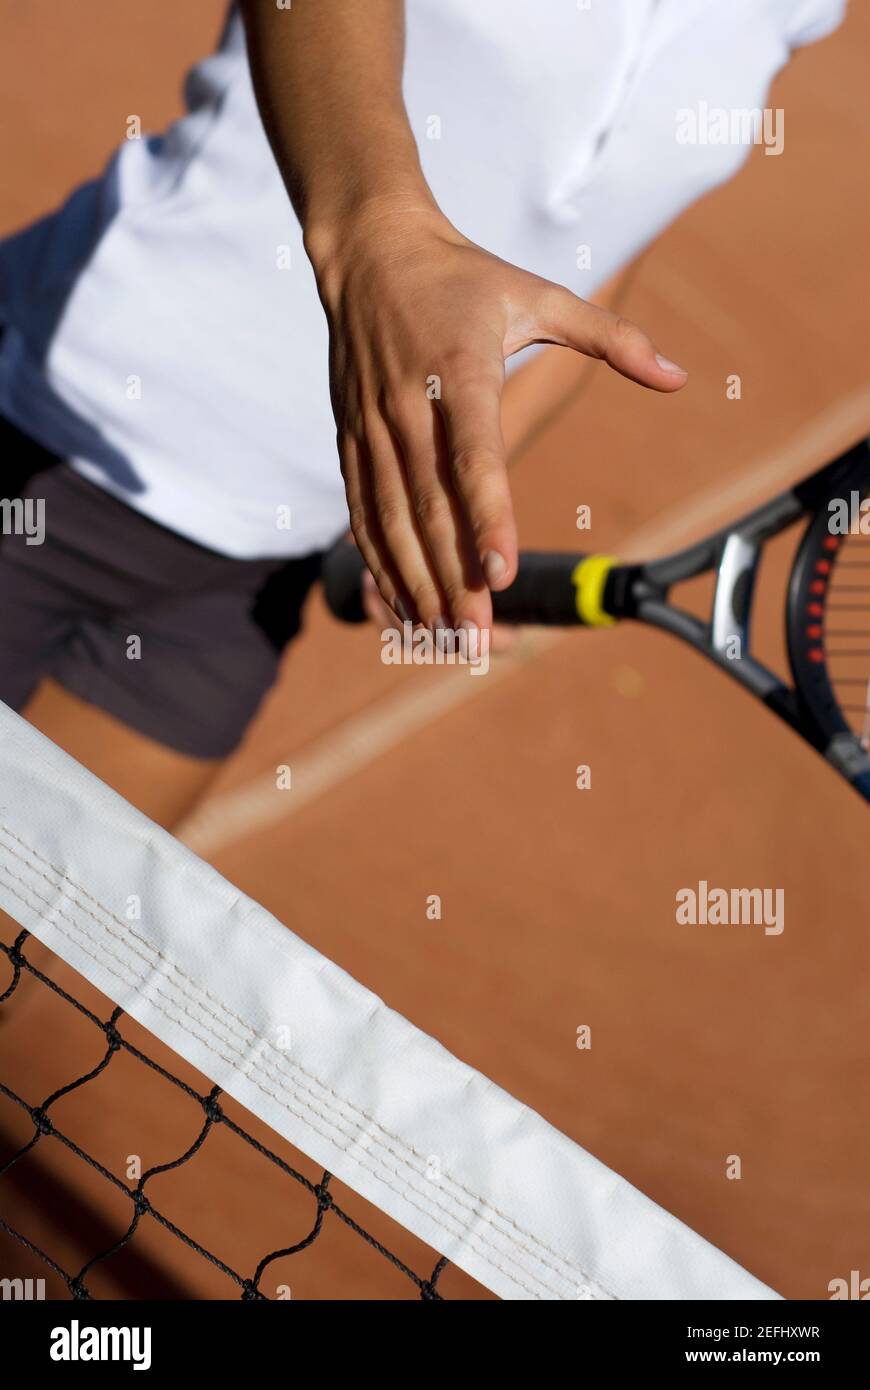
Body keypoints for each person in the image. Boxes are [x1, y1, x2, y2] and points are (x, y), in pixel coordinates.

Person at [0, 0, 846, 826]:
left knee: (48, 948)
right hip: (52, 436)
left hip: (252, 586)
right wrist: (378, 234)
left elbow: (594, 269)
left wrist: (434, 503)